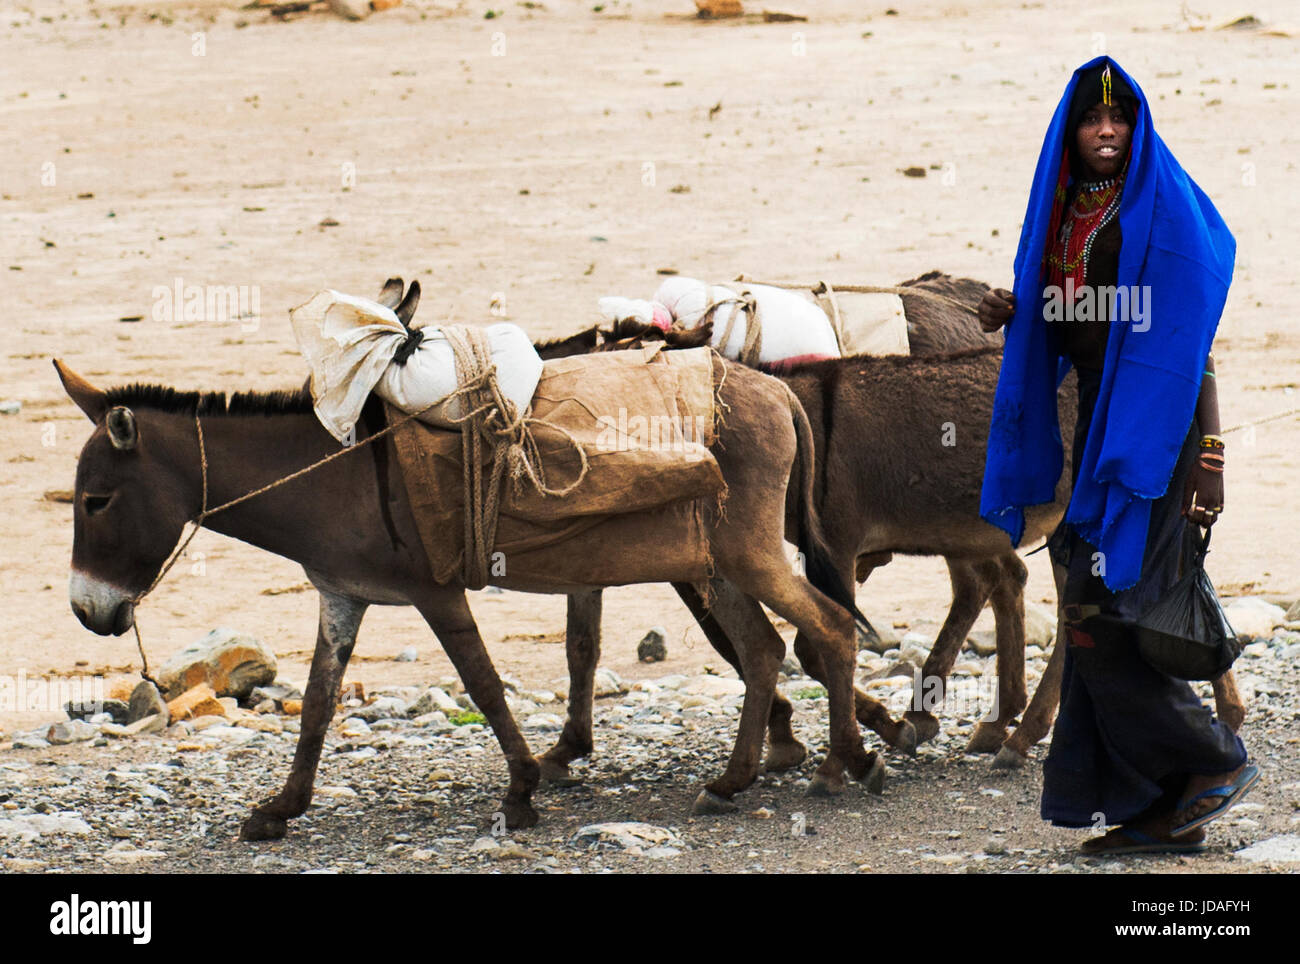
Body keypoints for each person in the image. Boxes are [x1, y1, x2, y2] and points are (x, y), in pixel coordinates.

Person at [977, 58, 1258, 855]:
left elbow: (1186, 340)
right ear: (1071, 133)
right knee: (1094, 609)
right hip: (1099, 431)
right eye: (1092, 121)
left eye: (1120, 119)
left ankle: (1212, 764)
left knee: (1105, 611)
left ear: (1137, 128)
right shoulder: (1064, 213)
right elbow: (1079, 316)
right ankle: (1158, 806)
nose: (1106, 131)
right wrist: (1024, 310)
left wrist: (1210, 454)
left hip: (1158, 437)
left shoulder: (1160, 209)